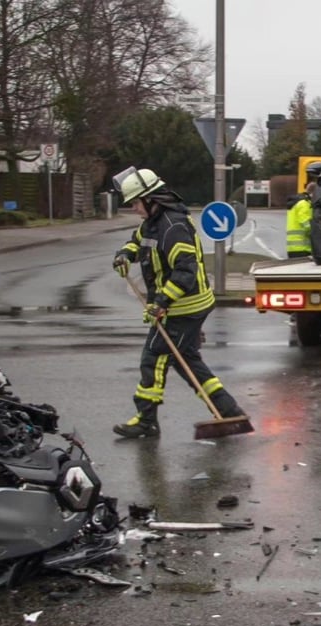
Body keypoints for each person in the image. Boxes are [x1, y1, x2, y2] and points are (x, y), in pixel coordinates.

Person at [110, 167, 248, 439]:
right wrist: (124, 255)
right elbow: (136, 243)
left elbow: (185, 272)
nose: (134, 208)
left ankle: (146, 421)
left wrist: (161, 302)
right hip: (180, 306)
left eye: (136, 202)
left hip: (186, 308)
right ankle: (229, 411)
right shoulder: (152, 223)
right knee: (187, 361)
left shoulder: (173, 227)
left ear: (151, 199)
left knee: (153, 357)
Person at [286, 182, 316, 258]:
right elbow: (307, 225)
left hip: (294, 248)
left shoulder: (297, 203)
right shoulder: (304, 204)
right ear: (313, 194)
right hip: (302, 248)